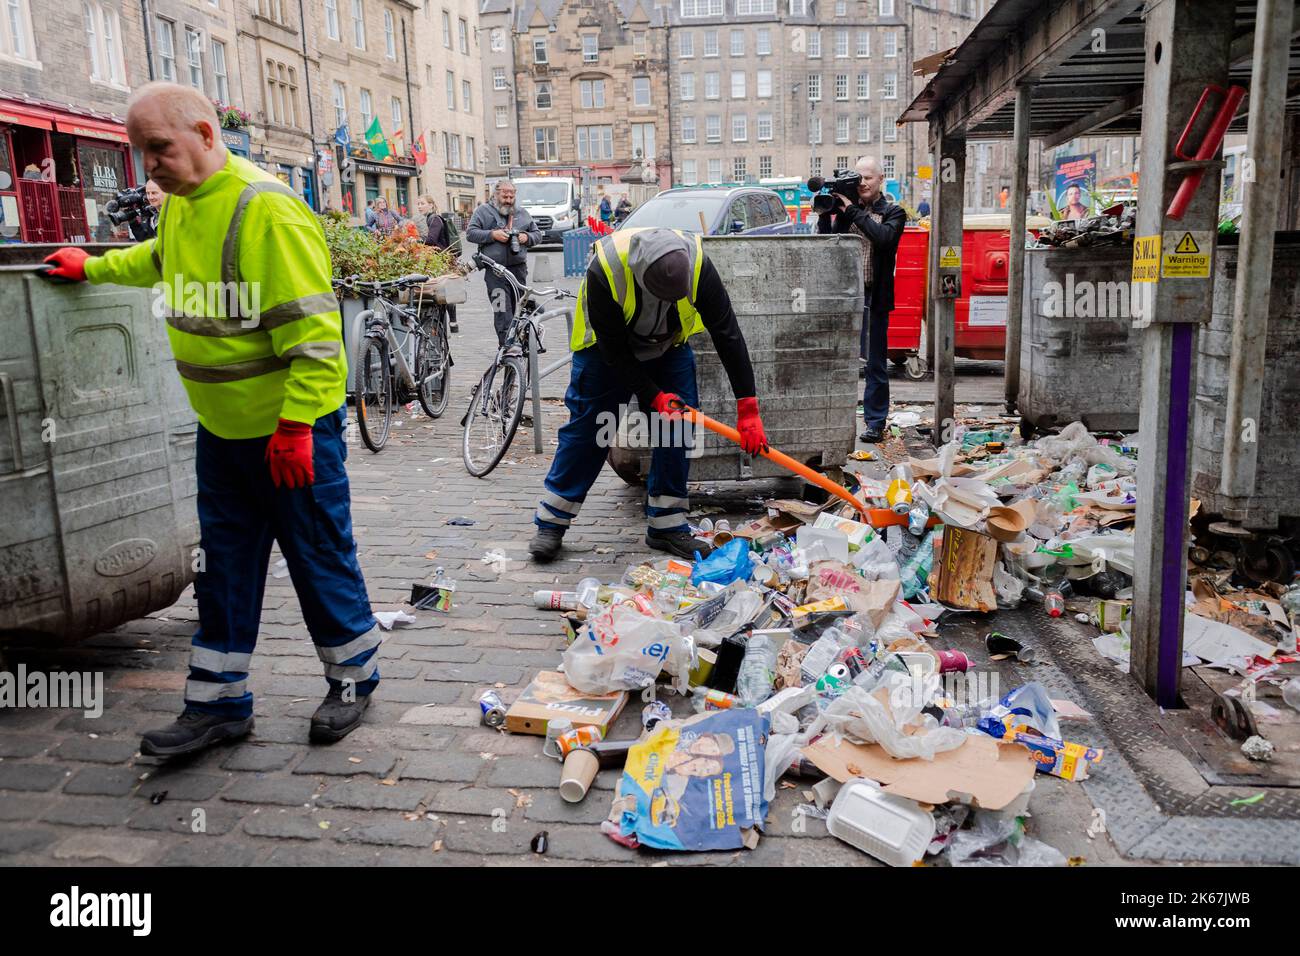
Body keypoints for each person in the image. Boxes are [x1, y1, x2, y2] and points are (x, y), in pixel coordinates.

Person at [40, 82, 381, 757]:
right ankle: (218, 705)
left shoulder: (266, 211)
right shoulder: (183, 207)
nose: (150, 168)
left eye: (159, 149)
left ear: (203, 132)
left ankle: (354, 680)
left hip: (290, 433)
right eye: (140, 155)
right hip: (223, 433)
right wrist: (93, 266)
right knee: (221, 566)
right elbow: (159, 264)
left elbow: (315, 339)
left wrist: (294, 428)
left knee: (317, 556)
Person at [528, 226, 768, 562]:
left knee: (676, 431)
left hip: (669, 347)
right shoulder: (606, 270)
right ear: (641, 276)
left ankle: (667, 525)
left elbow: (726, 332)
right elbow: (616, 353)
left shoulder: (697, 265)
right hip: (605, 350)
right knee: (591, 431)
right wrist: (652, 396)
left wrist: (748, 407)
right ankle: (552, 522)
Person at [817, 156, 907, 444]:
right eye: (859, 178)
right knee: (837, 361)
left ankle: (875, 422)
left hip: (874, 297)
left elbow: (883, 239)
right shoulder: (845, 211)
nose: (863, 183)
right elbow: (828, 246)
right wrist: (824, 214)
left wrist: (853, 211)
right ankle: (831, 419)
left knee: (875, 364)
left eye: (868, 177)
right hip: (844, 297)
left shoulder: (893, 212)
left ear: (881, 179)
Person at [465, 179, 541, 347]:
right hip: (494, 272)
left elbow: (537, 235)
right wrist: (492, 235)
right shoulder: (483, 211)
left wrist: (525, 237)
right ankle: (506, 348)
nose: (508, 199)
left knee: (518, 309)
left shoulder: (522, 213)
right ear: (495, 194)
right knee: (501, 311)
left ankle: (520, 343)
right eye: (504, 196)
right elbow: (470, 233)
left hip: (518, 271)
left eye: (511, 196)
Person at [416, 193, 459, 332]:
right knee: (440, 290)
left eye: (422, 203)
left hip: (441, 259)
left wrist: (415, 241)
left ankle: (451, 322)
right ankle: (446, 323)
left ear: (431, 205)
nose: (419, 206)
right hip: (436, 259)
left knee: (444, 291)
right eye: (418, 204)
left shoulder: (435, 219)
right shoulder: (429, 219)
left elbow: (431, 240)